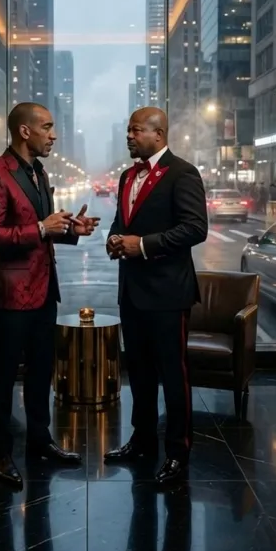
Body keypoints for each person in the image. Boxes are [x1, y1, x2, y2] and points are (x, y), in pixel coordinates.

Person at [0, 102, 100, 488]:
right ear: (24, 131)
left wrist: (71, 229)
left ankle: (40, 442)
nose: (54, 134)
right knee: (5, 375)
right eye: (47, 127)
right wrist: (43, 229)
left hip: (44, 291)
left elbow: (41, 229)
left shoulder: (39, 173)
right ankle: (0, 455)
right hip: (11, 295)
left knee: (42, 371)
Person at [104, 107, 207, 487]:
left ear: (158, 134)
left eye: (135, 131)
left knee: (173, 376)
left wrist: (142, 245)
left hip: (167, 294)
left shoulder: (183, 173)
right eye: (128, 130)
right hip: (131, 292)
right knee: (141, 374)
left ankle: (178, 452)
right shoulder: (127, 175)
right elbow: (122, 220)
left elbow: (196, 228)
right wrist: (115, 238)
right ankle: (142, 440)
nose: (128, 137)